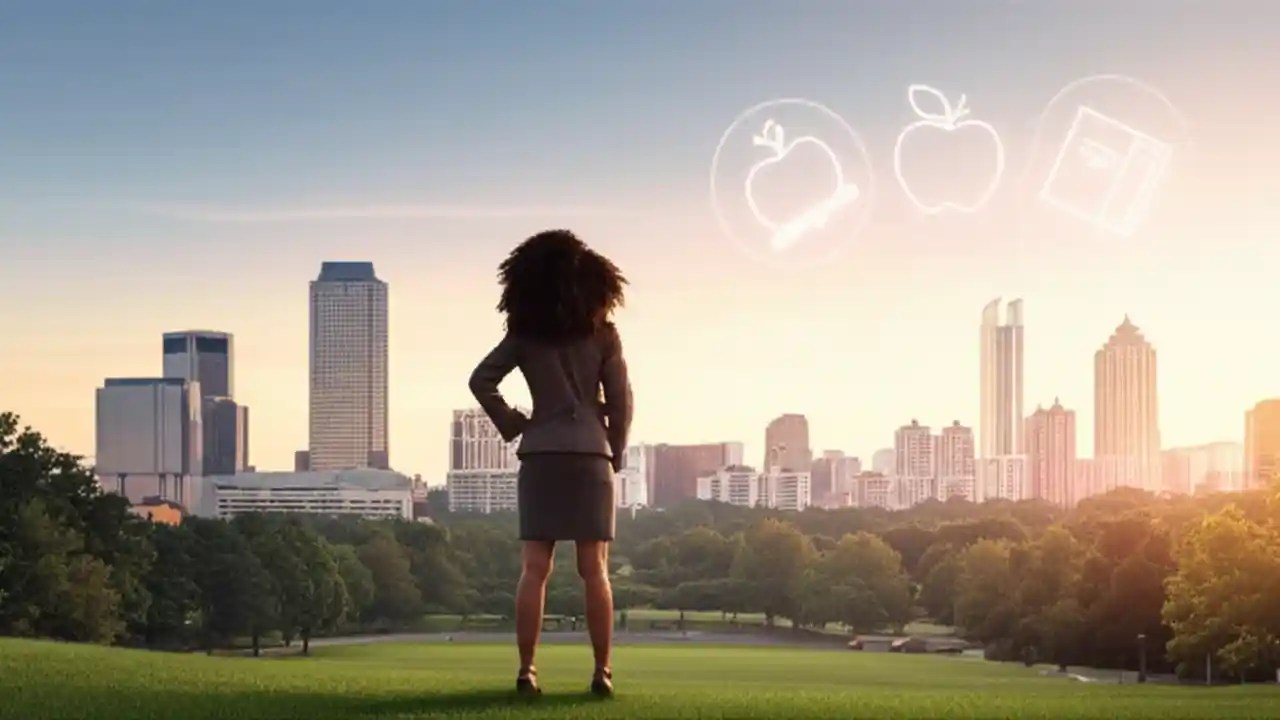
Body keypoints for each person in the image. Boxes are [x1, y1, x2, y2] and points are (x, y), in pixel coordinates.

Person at [469, 229, 633, 698]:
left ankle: (527, 671)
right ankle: (602, 672)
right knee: (595, 569)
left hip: (541, 454)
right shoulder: (604, 334)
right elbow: (621, 400)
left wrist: (514, 421)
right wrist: (614, 450)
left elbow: (481, 380)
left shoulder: (524, 335)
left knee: (534, 568)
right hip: (590, 456)